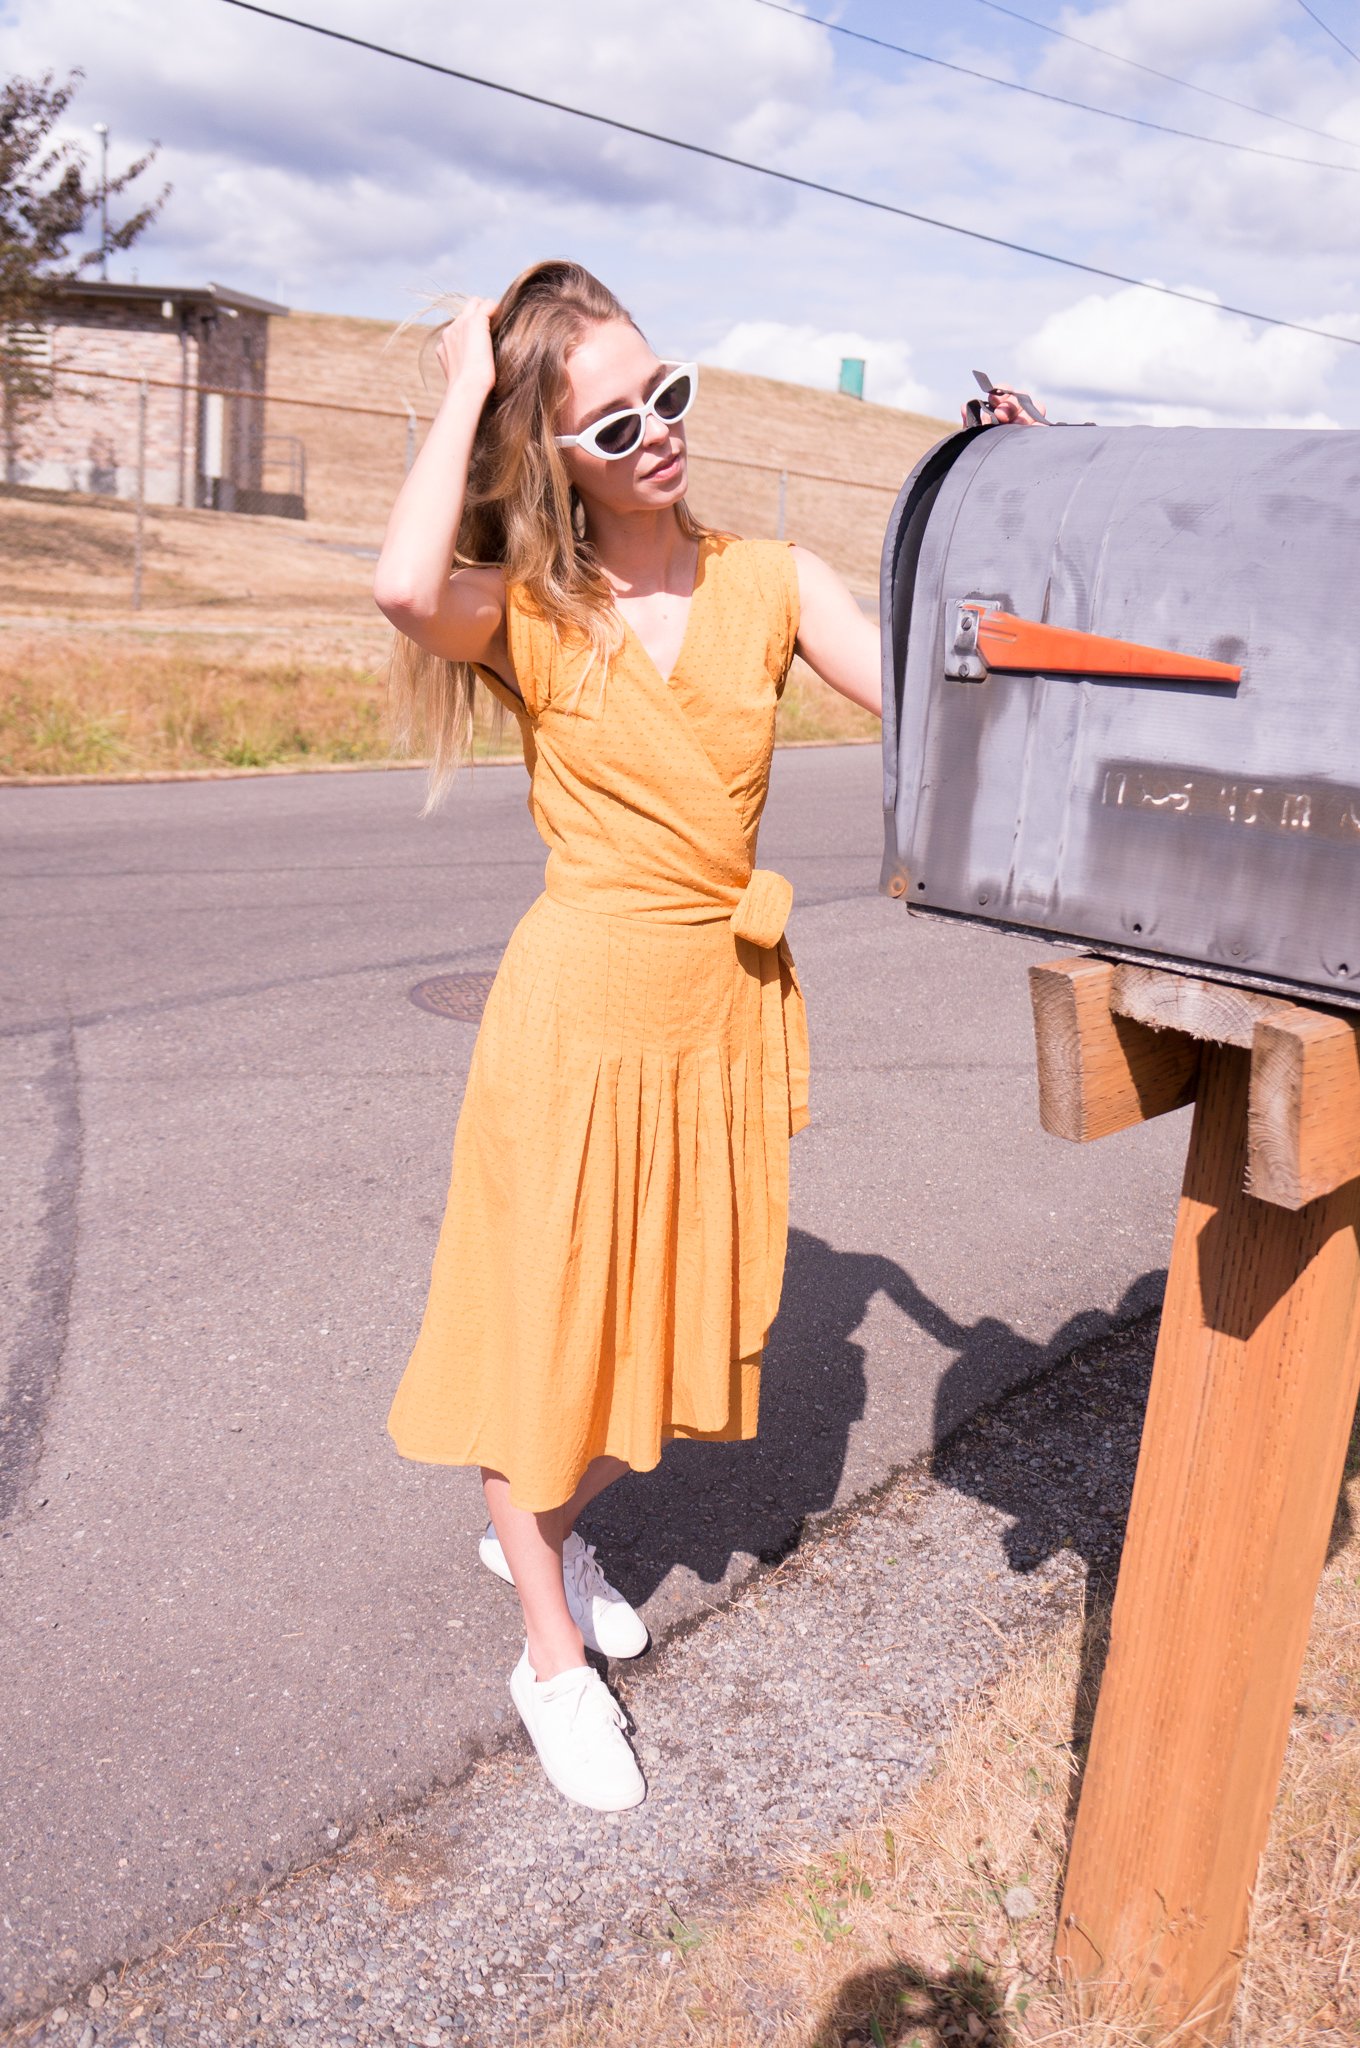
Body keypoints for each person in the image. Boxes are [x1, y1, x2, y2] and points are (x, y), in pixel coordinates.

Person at [375, 257, 1029, 1813]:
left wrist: (1001, 497)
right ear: (554, 457)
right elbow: (404, 588)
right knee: (551, 1341)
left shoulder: (770, 583)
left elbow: (935, 688)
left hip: (711, 1019)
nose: (656, 432)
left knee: (674, 1345)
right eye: (612, 424)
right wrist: (466, 385)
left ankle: (541, 1532)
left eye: (664, 394)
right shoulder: (531, 610)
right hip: (572, 1023)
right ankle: (548, 1657)